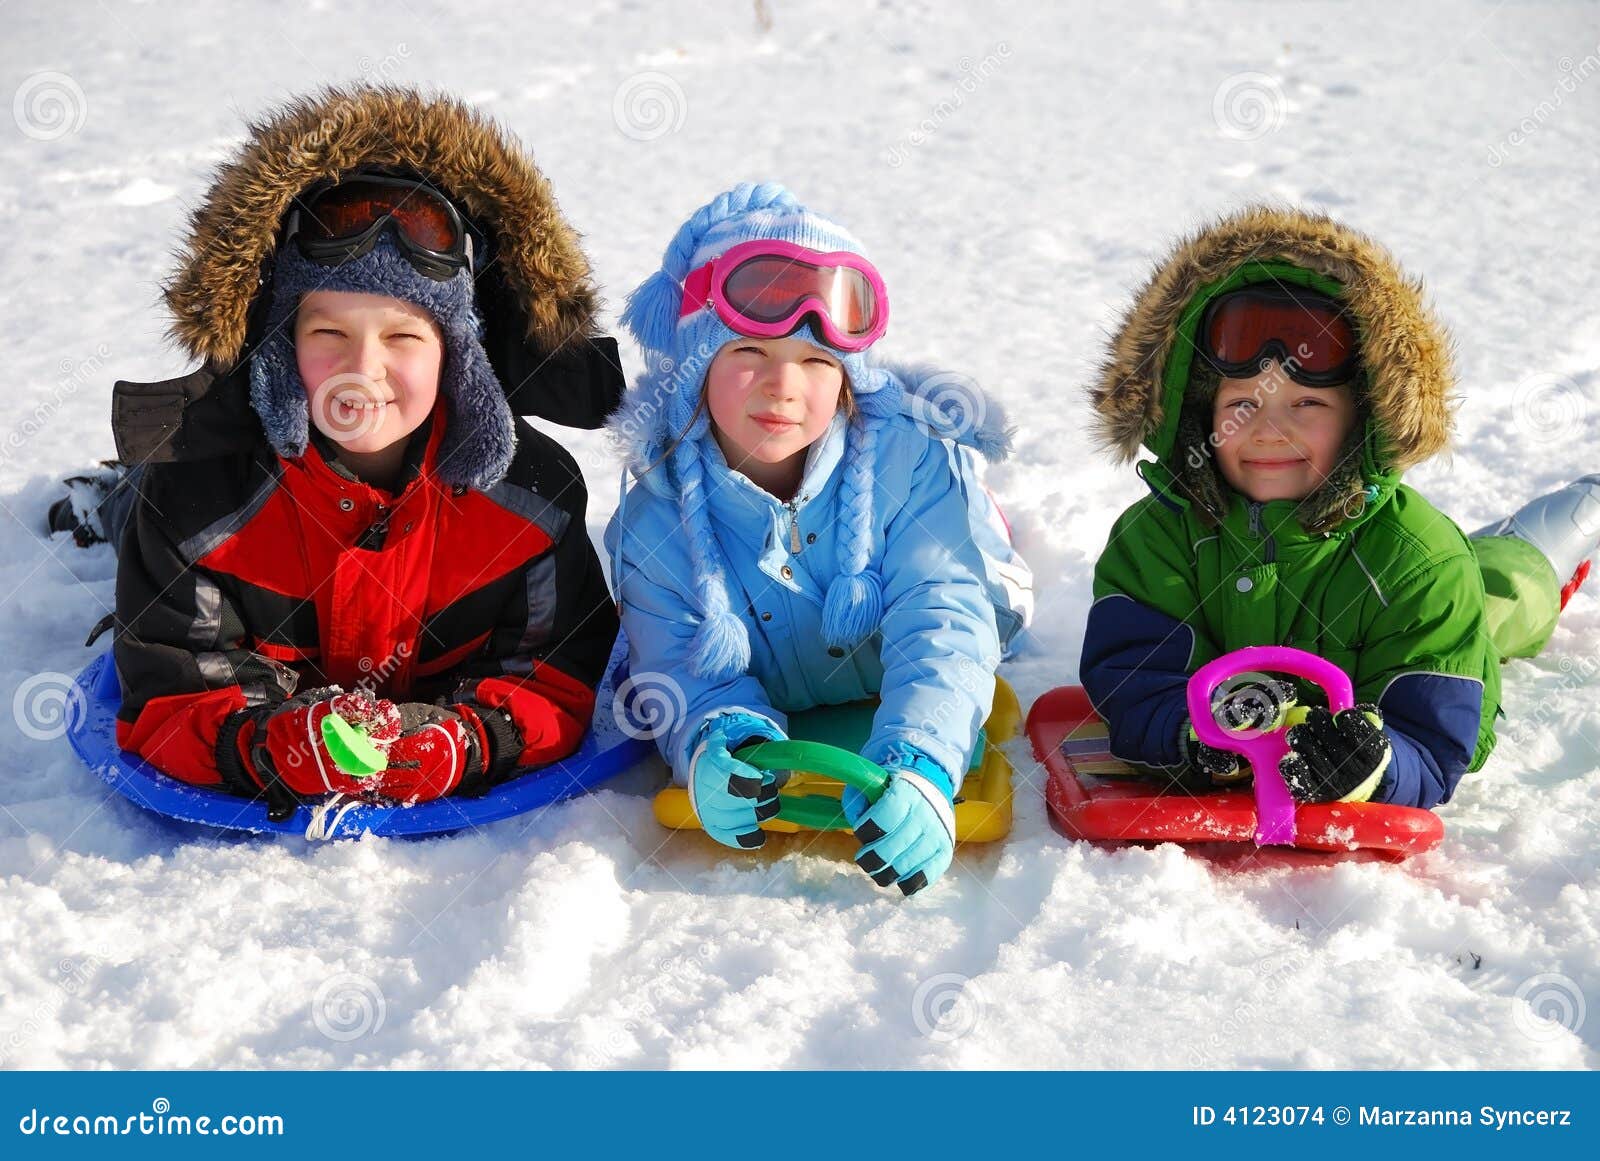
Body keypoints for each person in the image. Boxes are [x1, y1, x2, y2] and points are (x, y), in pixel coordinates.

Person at [107, 86, 621, 812]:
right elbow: (173, 692)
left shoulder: (534, 497)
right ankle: (105, 495)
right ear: (282, 347)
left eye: (404, 336)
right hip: (186, 497)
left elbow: (555, 675)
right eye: (328, 334)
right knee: (135, 495)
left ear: (458, 355)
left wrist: (468, 739)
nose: (363, 369)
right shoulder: (197, 503)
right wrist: (266, 742)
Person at [1081, 205, 1600, 810]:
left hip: (1438, 588)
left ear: (1362, 425)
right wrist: (1191, 729)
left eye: (1307, 406)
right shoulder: (1157, 537)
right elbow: (1132, 676)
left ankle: (1575, 514)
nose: (1269, 432)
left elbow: (1437, 740)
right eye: (1243, 404)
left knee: (1505, 590)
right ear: (1200, 415)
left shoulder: (1423, 566)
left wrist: (1375, 764)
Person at [606, 183, 1030, 894]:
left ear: (848, 378)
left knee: (990, 598)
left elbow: (944, 624)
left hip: (941, 559)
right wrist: (718, 738)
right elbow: (680, 663)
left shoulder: (909, 470)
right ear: (697, 369)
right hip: (764, 631)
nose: (784, 387)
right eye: (749, 352)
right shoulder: (655, 521)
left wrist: (922, 760)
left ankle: (985, 504)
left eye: (815, 362)